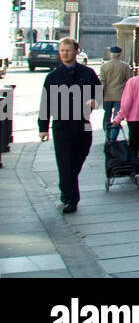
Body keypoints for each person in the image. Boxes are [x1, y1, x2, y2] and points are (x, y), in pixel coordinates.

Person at [37, 37, 101, 213]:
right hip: (61, 126)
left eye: (68, 50)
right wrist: (43, 128)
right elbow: (45, 103)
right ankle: (70, 199)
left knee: (77, 161)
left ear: (76, 52)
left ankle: (66, 184)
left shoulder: (88, 73)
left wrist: (96, 100)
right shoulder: (53, 76)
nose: (65, 53)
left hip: (83, 125)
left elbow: (99, 91)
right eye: (62, 50)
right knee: (65, 162)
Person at [99, 46, 131, 143]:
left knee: (107, 115)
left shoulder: (104, 66)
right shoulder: (125, 66)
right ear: (120, 54)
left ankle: (107, 135)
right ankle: (113, 137)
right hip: (120, 95)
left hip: (107, 95)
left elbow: (102, 82)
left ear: (111, 53)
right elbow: (129, 81)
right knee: (116, 117)